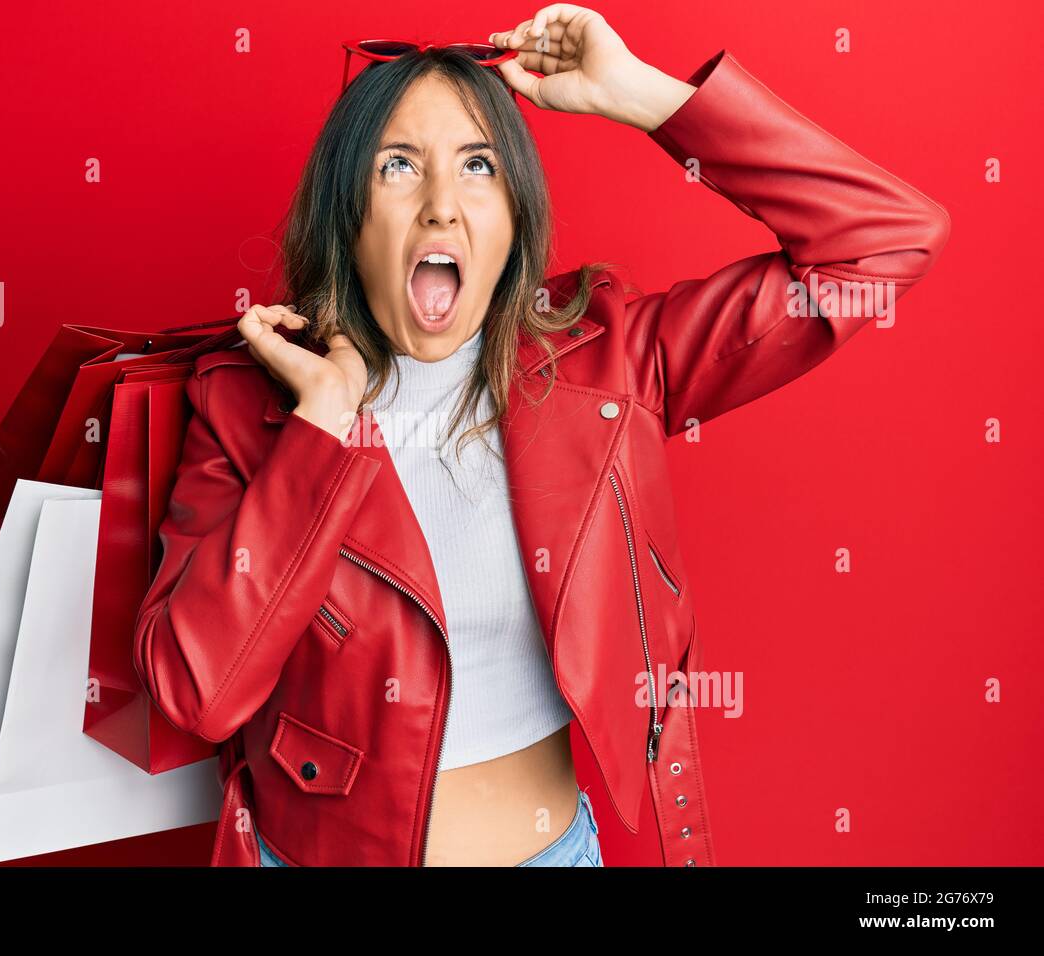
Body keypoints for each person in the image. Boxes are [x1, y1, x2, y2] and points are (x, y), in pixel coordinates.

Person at [133, 5, 951, 867]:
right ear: (348, 215)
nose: (441, 207)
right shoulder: (247, 405)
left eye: (478, 166)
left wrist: (641, 96)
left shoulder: (614, 367)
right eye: (398, 166)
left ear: (515, 216)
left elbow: (884, 245)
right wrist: (320, 428)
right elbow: (198, 691)